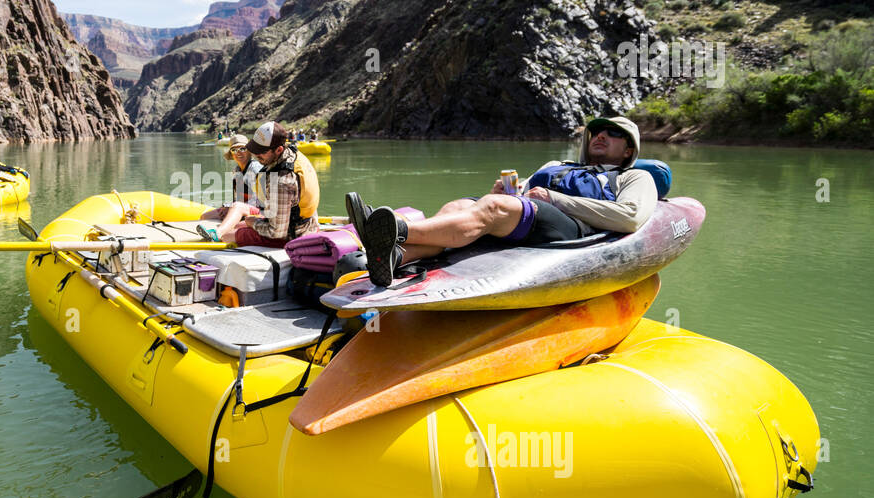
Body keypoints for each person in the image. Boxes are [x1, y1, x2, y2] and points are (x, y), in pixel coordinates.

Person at [346, 116, 659, 286]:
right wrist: (500, 194)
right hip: (531, 215)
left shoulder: (632, 177)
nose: (601, 136)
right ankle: (395, 257)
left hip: (576, 228)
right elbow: (519, 200)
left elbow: (630, 216)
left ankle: (394, 229)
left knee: (495, 208)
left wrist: (554, 198)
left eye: (613, 133)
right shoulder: (555, 166)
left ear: (629, 149)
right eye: (596, 132)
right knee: (459, 207)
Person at [197, 121, 320, 248]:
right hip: (296, 223)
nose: (256, 155)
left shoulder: (281, 181)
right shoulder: (292, 155)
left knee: (228, 236)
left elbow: (276, 232)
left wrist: (253, 222)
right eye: (255, 149)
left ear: (279, 150)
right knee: (239, 225)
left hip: (295, 234)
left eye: (261, 151)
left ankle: (219, 234)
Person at [200, 134, 261, 221]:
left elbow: (261, 200)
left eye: (242, 149)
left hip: (258, 211)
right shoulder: (237, 170)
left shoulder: (255, 169)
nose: (238, 152)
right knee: (205, 216)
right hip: (241, 207)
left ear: (249, 152)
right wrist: (227, 206)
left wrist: (232, 208)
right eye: (234, 150)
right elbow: (239, 199)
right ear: (231, 154)